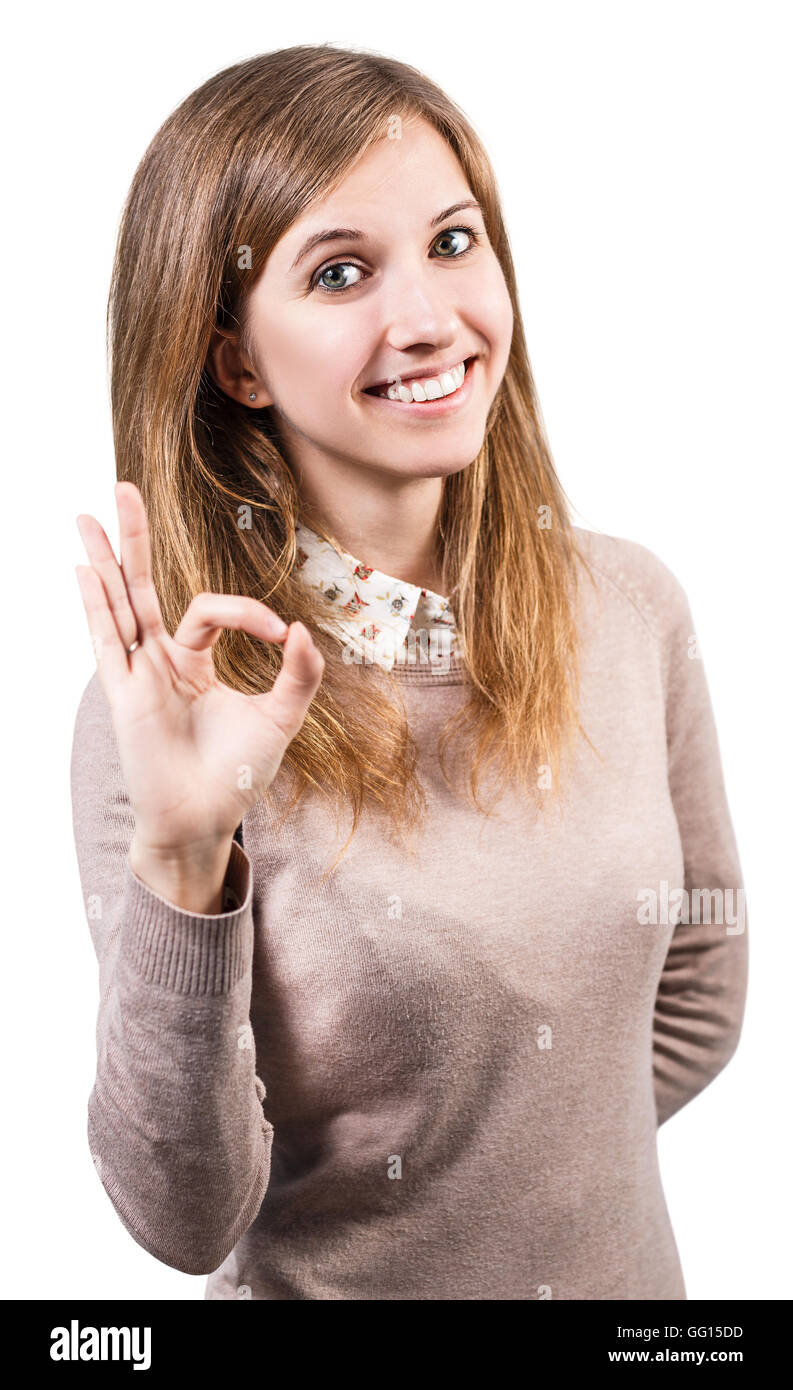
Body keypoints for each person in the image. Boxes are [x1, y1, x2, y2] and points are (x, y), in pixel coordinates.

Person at [70, 44, 748, 1301]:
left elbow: (699, 994)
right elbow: (183, 1218)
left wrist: (517, 1201)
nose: (431, 319)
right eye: (340, 273)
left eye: (452, 242)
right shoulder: (178, 714)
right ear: (237, 363)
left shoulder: (630, 607)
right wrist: (183, 859)